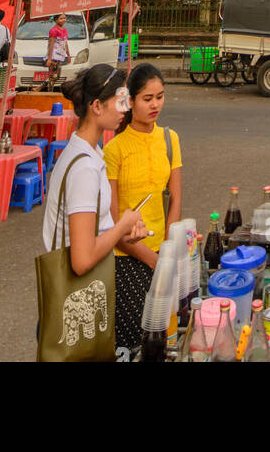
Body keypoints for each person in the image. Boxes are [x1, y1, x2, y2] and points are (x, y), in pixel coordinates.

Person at [43, 66, 147, 291]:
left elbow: (95, 232)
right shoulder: (85, 168)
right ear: (97, 106)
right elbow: (82, 260)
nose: (125, 108)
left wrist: (123, 231)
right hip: (77, 295)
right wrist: (122, 227)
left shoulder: (86, 153)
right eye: (120, 100)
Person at [104, 63, 182, 356]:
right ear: (130, 101)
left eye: (159, 97)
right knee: (133, 344)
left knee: (165, 339)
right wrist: (150, 258)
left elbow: (175, 199)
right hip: (126, 259)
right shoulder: (115, 149)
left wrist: (167, 249)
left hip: (164, 255)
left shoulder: (170, 140)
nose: (155, 105)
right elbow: (113, 220)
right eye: (147, 99)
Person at [46, 13, 71, 88]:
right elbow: (51, 44)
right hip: (54, 56)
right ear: (56, 20)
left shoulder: (64, 30)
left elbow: (65, 44)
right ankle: (47, 91)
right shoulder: (53, 30)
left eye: (64, 18)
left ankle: (40, 88)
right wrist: (49, 59)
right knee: (54, 76)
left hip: (61, 55)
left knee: (56, 76)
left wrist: (68, 55)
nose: (64, 20)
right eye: (61, 18)